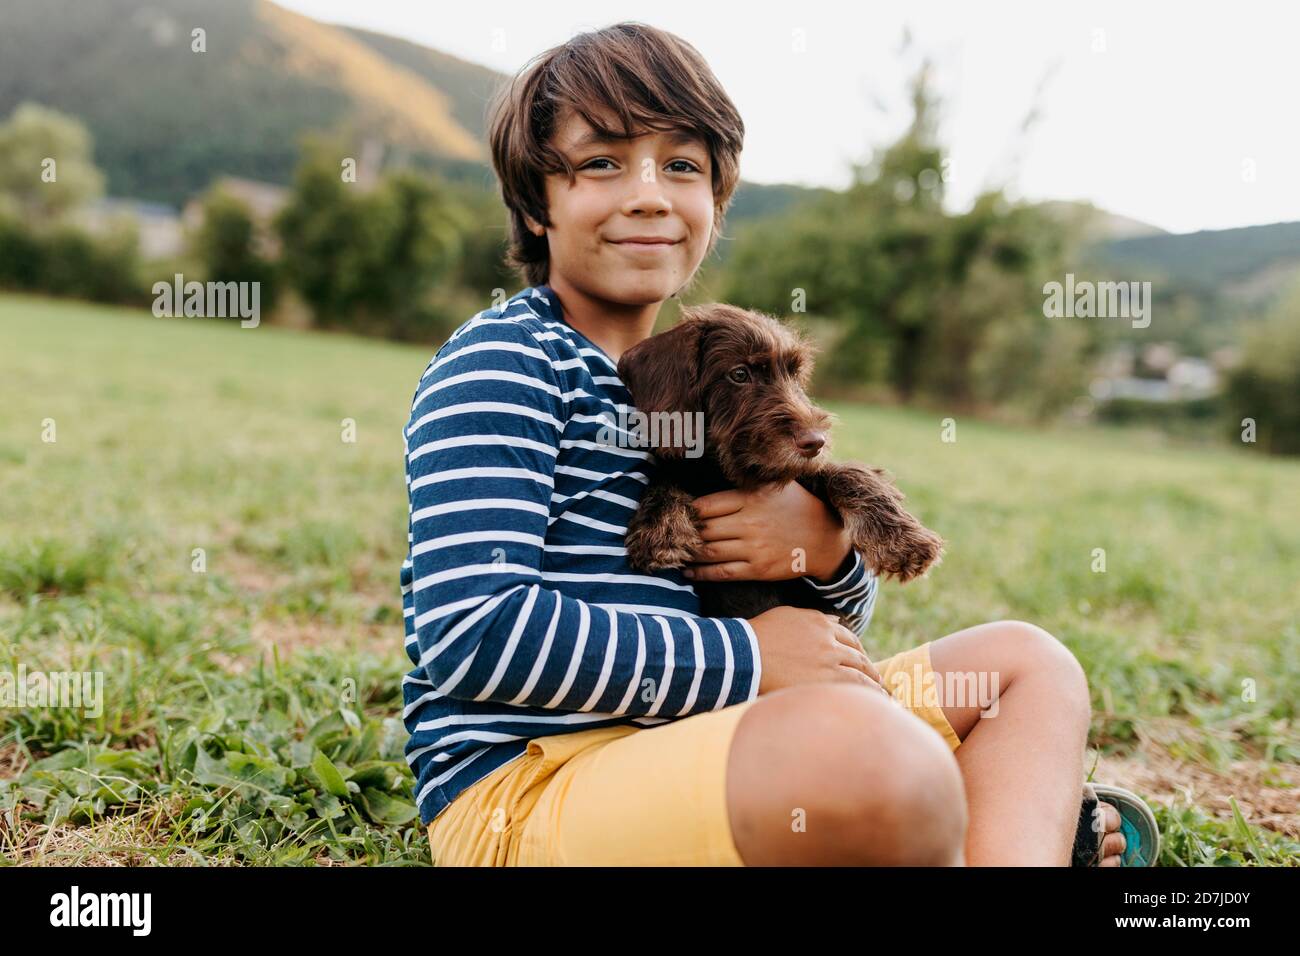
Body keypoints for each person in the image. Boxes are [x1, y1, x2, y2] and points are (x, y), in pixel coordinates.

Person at [400, 21, 1140, 866]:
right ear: (537, 203)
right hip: (536, 784)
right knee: (864, 755)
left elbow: (822, 648)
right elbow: (473, 631)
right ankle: (979, 818)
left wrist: (819, 557)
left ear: (716, 203)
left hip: (719, 738)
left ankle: (991, 839)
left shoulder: (708, 379)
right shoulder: (506, 362)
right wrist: (746, 660)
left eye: (682, 166)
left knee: (1027, 666)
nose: (648, 194)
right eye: (602, 162)